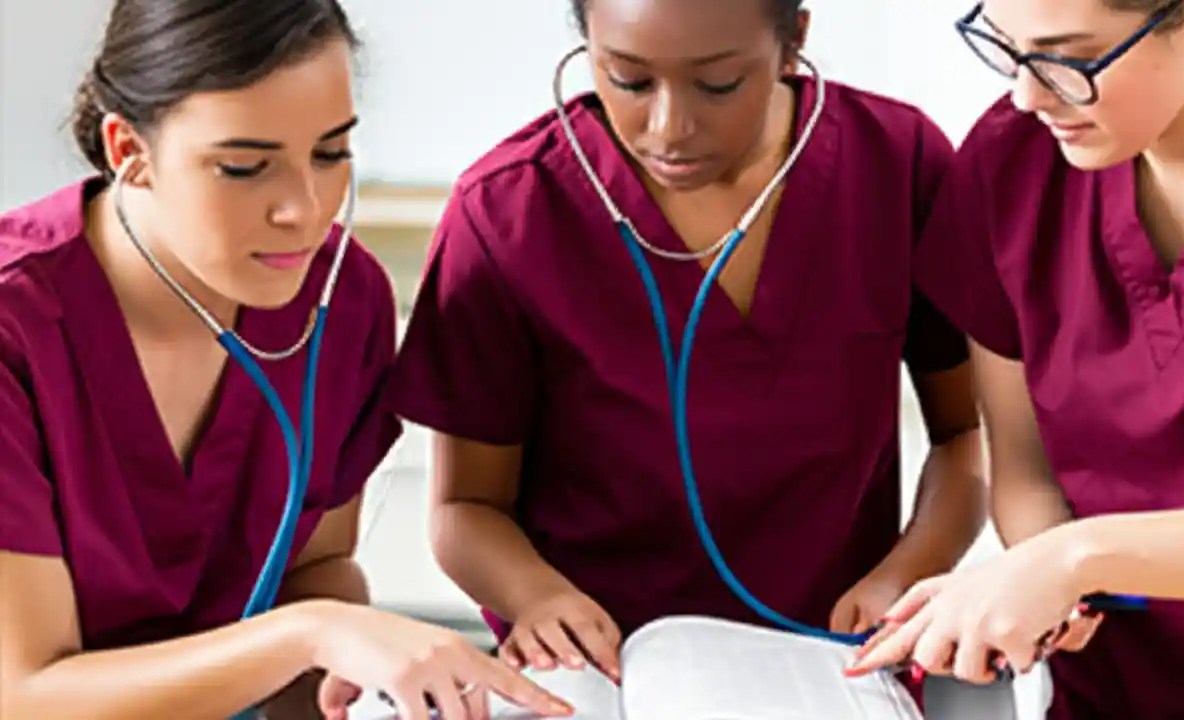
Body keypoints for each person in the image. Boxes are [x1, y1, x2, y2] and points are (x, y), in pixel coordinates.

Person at [386, 0, 986, 686]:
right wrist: (536, 597)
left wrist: (906, 576)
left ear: (794, 43)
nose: (670, 128)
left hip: (832, 664)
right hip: (605, 674)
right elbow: (466, 509)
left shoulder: (896, 166)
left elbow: (964, 438)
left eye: (719, 83)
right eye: (629, 80)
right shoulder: (507, 213)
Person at [0, 2, 572, 719]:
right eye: (244, 167)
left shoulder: (343, 297)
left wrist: (358, 683)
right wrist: (315, 634)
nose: (303, 210)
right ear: (128, 152)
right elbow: (24, 693)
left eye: (330, 154)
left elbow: (317, 568)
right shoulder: (17, 331)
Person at [846, 0, 1184, 717]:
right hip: (1104, 698)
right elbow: (1024, 468)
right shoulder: (1012, 167)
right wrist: (1047, 586)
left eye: (1068, 57)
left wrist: (1078, 558)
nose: (1027, 95)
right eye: (1008, 49)